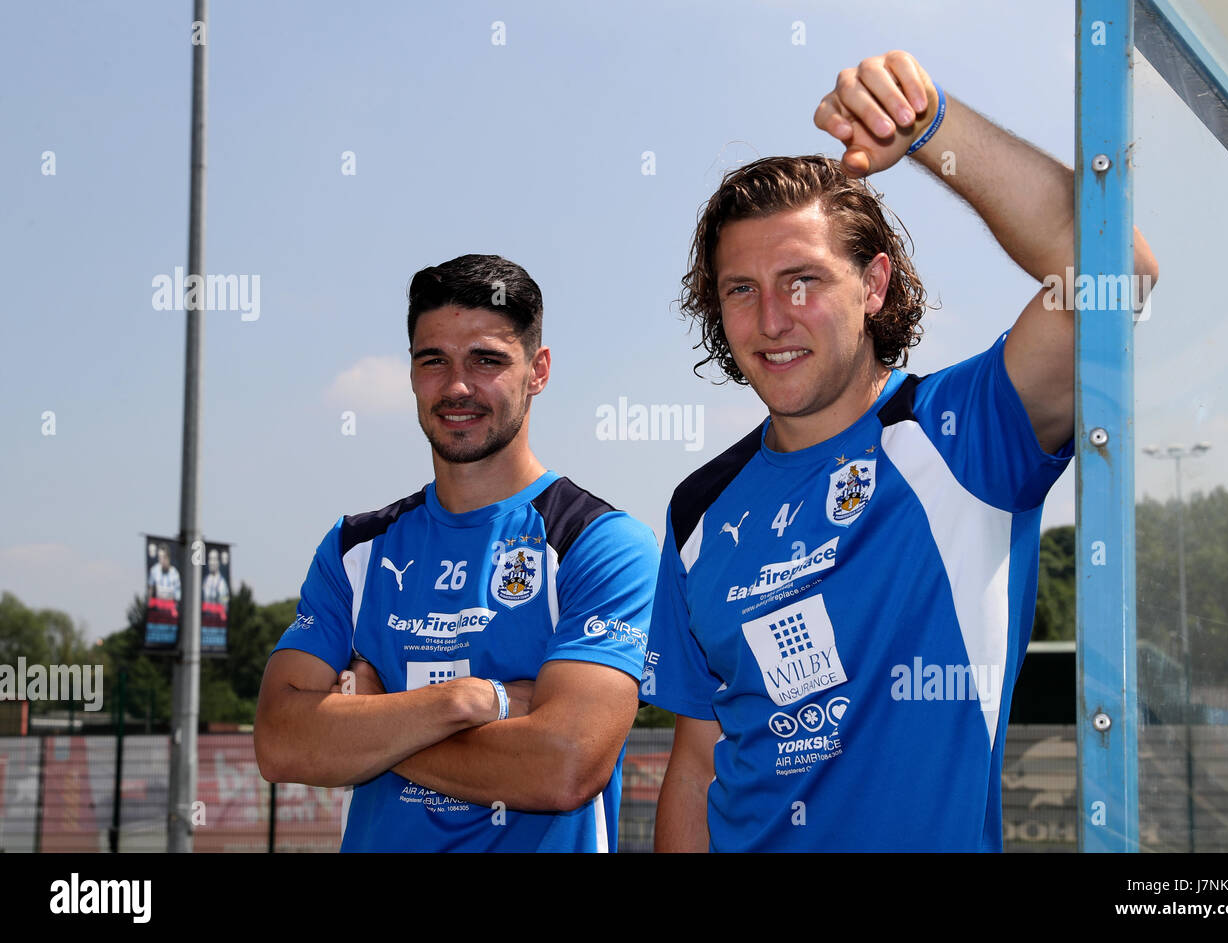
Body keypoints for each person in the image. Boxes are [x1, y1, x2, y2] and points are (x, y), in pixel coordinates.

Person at [645, 50, 1157, 851]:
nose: (772, 318)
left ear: (874, 285)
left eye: (802, 279)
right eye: (741, 289)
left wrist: (932, 129)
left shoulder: (963, 432)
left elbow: (1114, 273)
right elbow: (699, 759)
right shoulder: (698, 507)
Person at [254, 254, 658, 852]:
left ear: (538, 370)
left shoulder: (600, 544)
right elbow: (281, 742)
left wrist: (375, 723)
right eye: (433, 360)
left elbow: (564, 766)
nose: (457, 386)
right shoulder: (355, 549)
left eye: (487, 360)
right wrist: (470, 700)